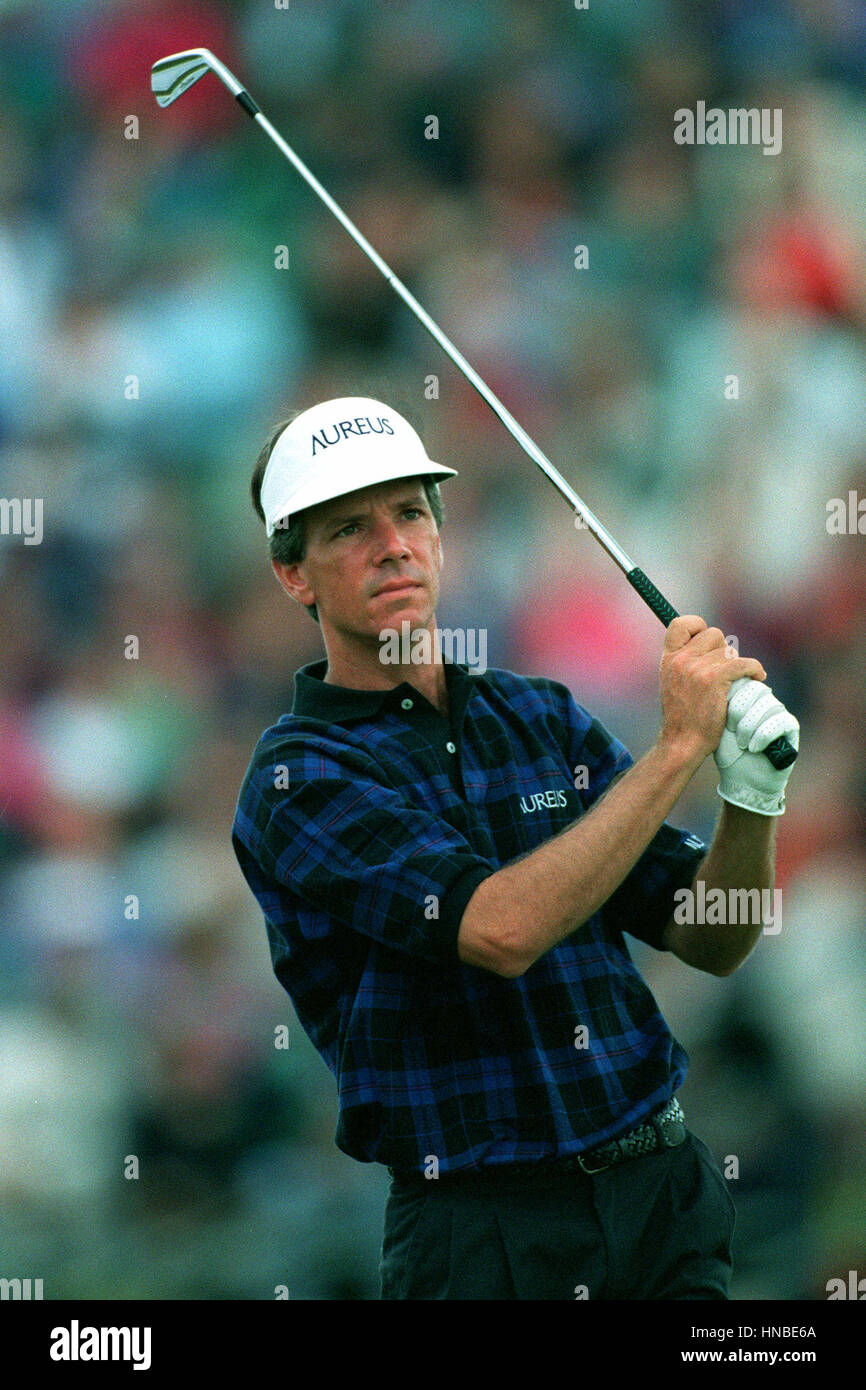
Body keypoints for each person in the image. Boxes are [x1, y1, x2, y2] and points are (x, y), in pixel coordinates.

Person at [231, 395, 800, 1300]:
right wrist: (679, 750)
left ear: (443, 537)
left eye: (412, 512)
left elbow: (712, 935)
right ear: (295, 575)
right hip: (482, 1238)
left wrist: (752, 798)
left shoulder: (538, 715)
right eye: (349, 529)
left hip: (660, 1195)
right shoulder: (298, 780)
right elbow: (498, 929)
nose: (393, 544)